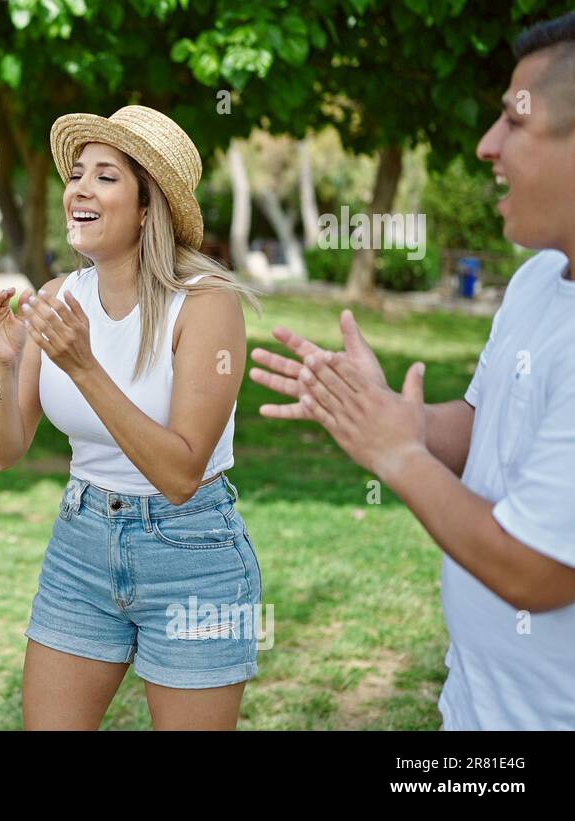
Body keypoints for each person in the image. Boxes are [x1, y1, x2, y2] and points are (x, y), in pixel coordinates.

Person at [250, 13, 575, 729]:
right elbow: (488, 425)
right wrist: (380, 412)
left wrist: (396, 453)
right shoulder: (538, 281)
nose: (487, 146)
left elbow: (538, 570)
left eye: (515, 123)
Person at [0, 105, 261, 730]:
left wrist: (84, 368)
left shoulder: (208, 305)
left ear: (145, 206)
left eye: (105, 176)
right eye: (77, 174)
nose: (78, 188)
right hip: (81, 544)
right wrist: (5, 365)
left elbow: (182, 473)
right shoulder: (57, 299)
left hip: (191, 549)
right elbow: (3, 451)